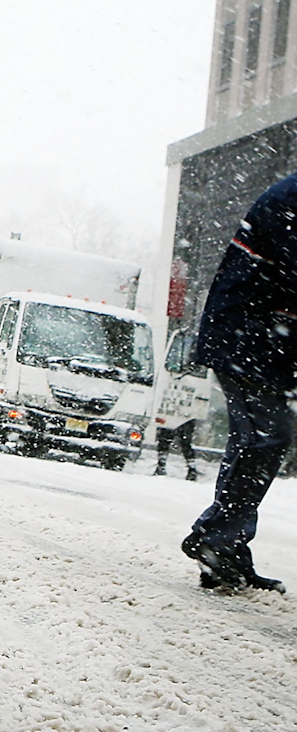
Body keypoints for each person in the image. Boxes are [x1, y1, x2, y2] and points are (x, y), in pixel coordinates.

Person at [183, 171, 297, 592]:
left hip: (264, 342)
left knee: (259, 438)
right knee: (265, 437)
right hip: (245, 338)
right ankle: (216, 540)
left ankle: (224, 548)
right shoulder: (291, 199)